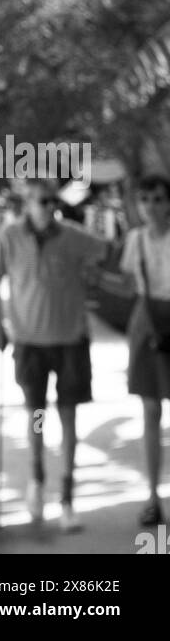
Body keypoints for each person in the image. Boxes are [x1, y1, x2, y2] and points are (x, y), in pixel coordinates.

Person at [0, 175, 109, 530]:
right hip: (29, 343)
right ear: (27, 203)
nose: (49, 208)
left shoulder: (72, 236)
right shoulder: (10, 236)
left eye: (54, 201)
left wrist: (96, 275)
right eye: (42, 201)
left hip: (71, 340)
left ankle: (68, 498)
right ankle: (37, 481)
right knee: (36, 416)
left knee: (69, 419)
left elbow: (108, 252)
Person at [119, 174, 170, 527]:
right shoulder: (134, 240)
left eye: (157, 199)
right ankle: (153, 497)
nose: (151, 206)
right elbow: (126, 285)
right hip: (146, 322)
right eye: (145, 199)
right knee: (150, 410)